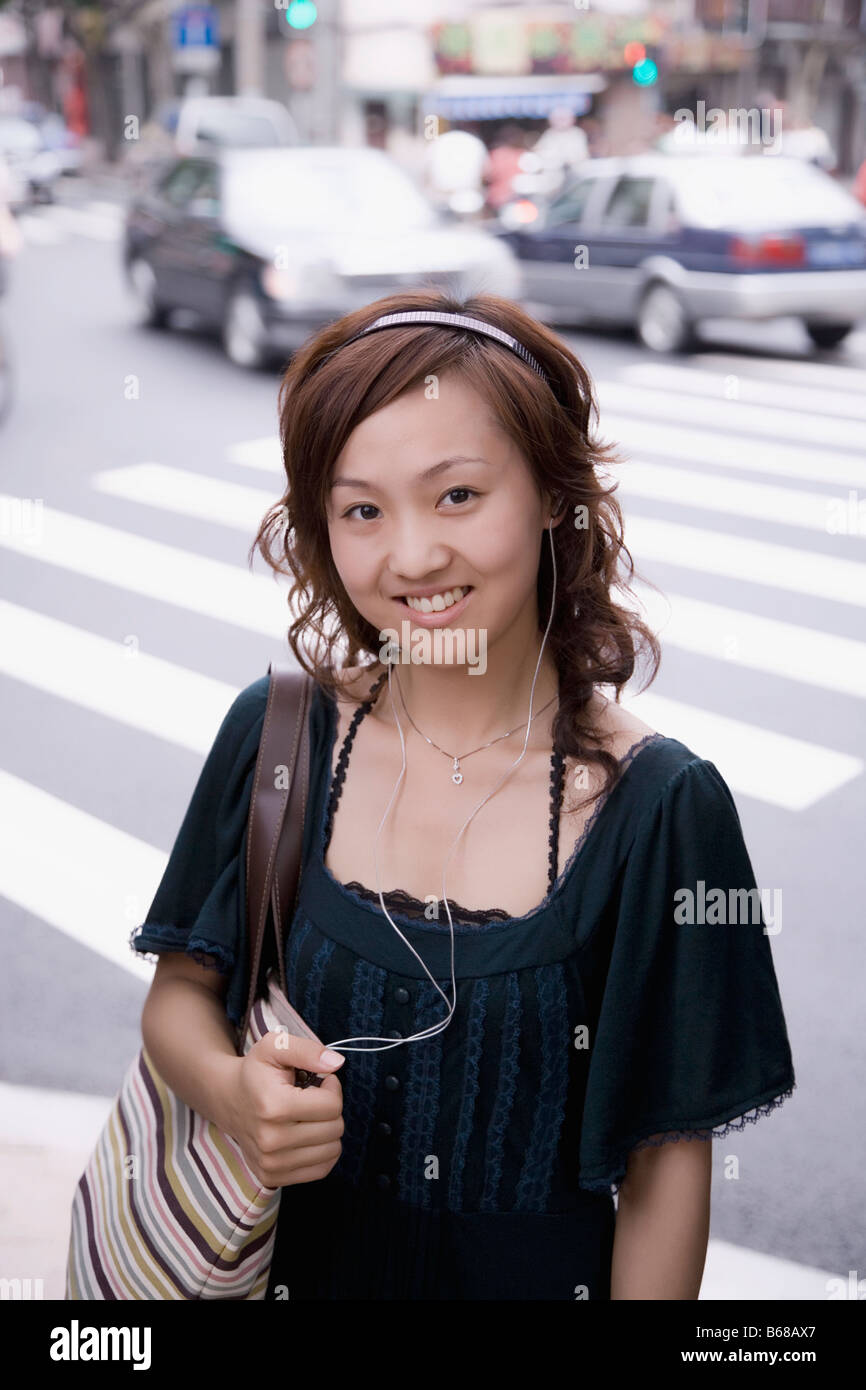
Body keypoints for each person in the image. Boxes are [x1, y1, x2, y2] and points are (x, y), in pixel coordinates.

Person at [130, 290, 796, 1300]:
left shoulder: (659, 806)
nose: (410, 558)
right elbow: (180, 993)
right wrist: (231, 1090)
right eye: (361, 510)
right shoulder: (278, 738)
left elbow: (664, 1161)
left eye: (455, 496)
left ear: (548, 494)